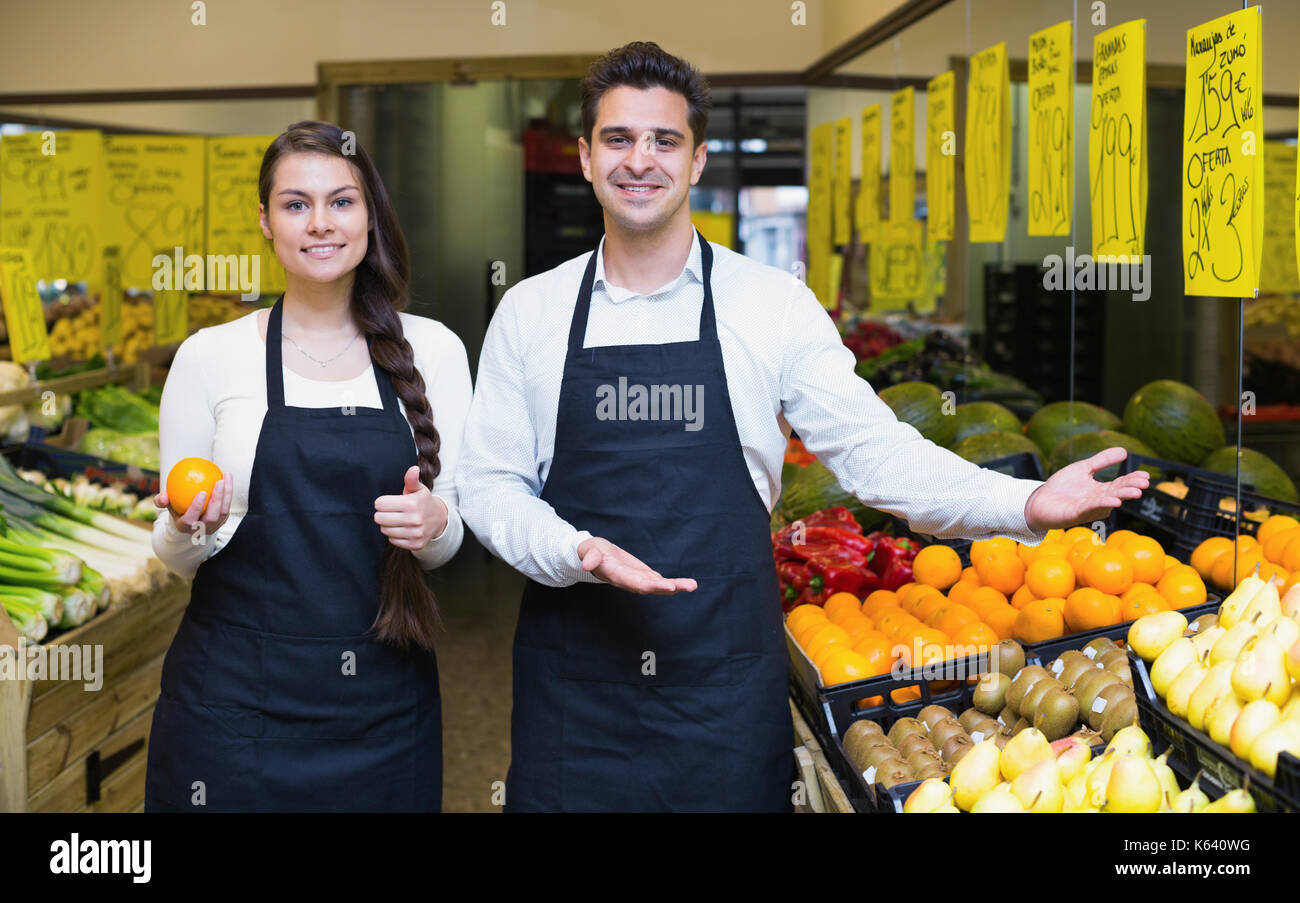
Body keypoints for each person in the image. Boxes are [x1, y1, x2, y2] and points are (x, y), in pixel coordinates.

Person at [457, 42, 1149, 813]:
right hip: (574, 692)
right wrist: (574, 548)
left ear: (697, 161)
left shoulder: (770, 304)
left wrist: (1022, 503)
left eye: (664, 140)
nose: (639, 160)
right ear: (585, 157)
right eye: (617, 139)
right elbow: (488, 483)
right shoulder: (531, 312)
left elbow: (874, 453)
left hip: (721, 684)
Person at [144, 121, 471, 812]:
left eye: (342, 202)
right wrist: (185, 527)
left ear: (370, 214)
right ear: (265, 221)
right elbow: (175, 557)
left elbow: (448, 543)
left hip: (383, 704)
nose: (320, 223)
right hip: (233, 707)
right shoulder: (211, 356)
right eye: (296, 204)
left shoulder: (435, 351)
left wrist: (434, 525)